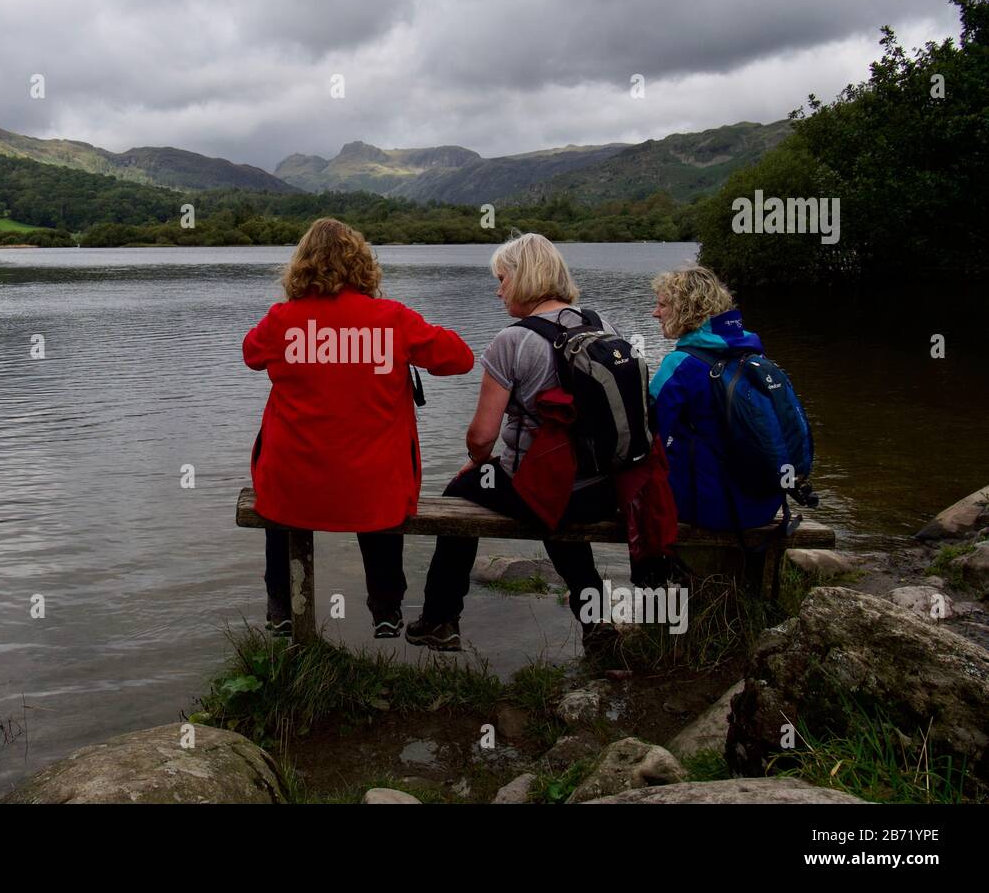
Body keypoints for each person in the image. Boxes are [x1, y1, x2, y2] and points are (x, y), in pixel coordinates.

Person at [243, 217, 475, 639]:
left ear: (302, 266)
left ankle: (280, 608)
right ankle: (385, 608)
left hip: (293, 487)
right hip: (375, 489)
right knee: (376, 481)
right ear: (361, 264)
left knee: (281, 497)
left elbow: (251, 354)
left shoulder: (281, 319)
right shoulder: (393, 318)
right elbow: (460, 358)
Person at [406, 233, 618, 653]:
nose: (498, 289)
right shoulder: (602, 325)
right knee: (558, 510)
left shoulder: (513, 340)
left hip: (550, 490)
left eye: (502, 278)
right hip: (604, 487)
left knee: (461, 495)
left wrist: (477, 461)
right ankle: (597, 627)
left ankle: (440, 619)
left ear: (524, 278)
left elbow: (482, 436)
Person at [648, 266, 785, 536]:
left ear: (686, 310)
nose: (655, 312)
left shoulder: (680, 364)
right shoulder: (751, 353)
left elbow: (647, 432)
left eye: (662, 305)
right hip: (764, 502)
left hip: (713, 509)